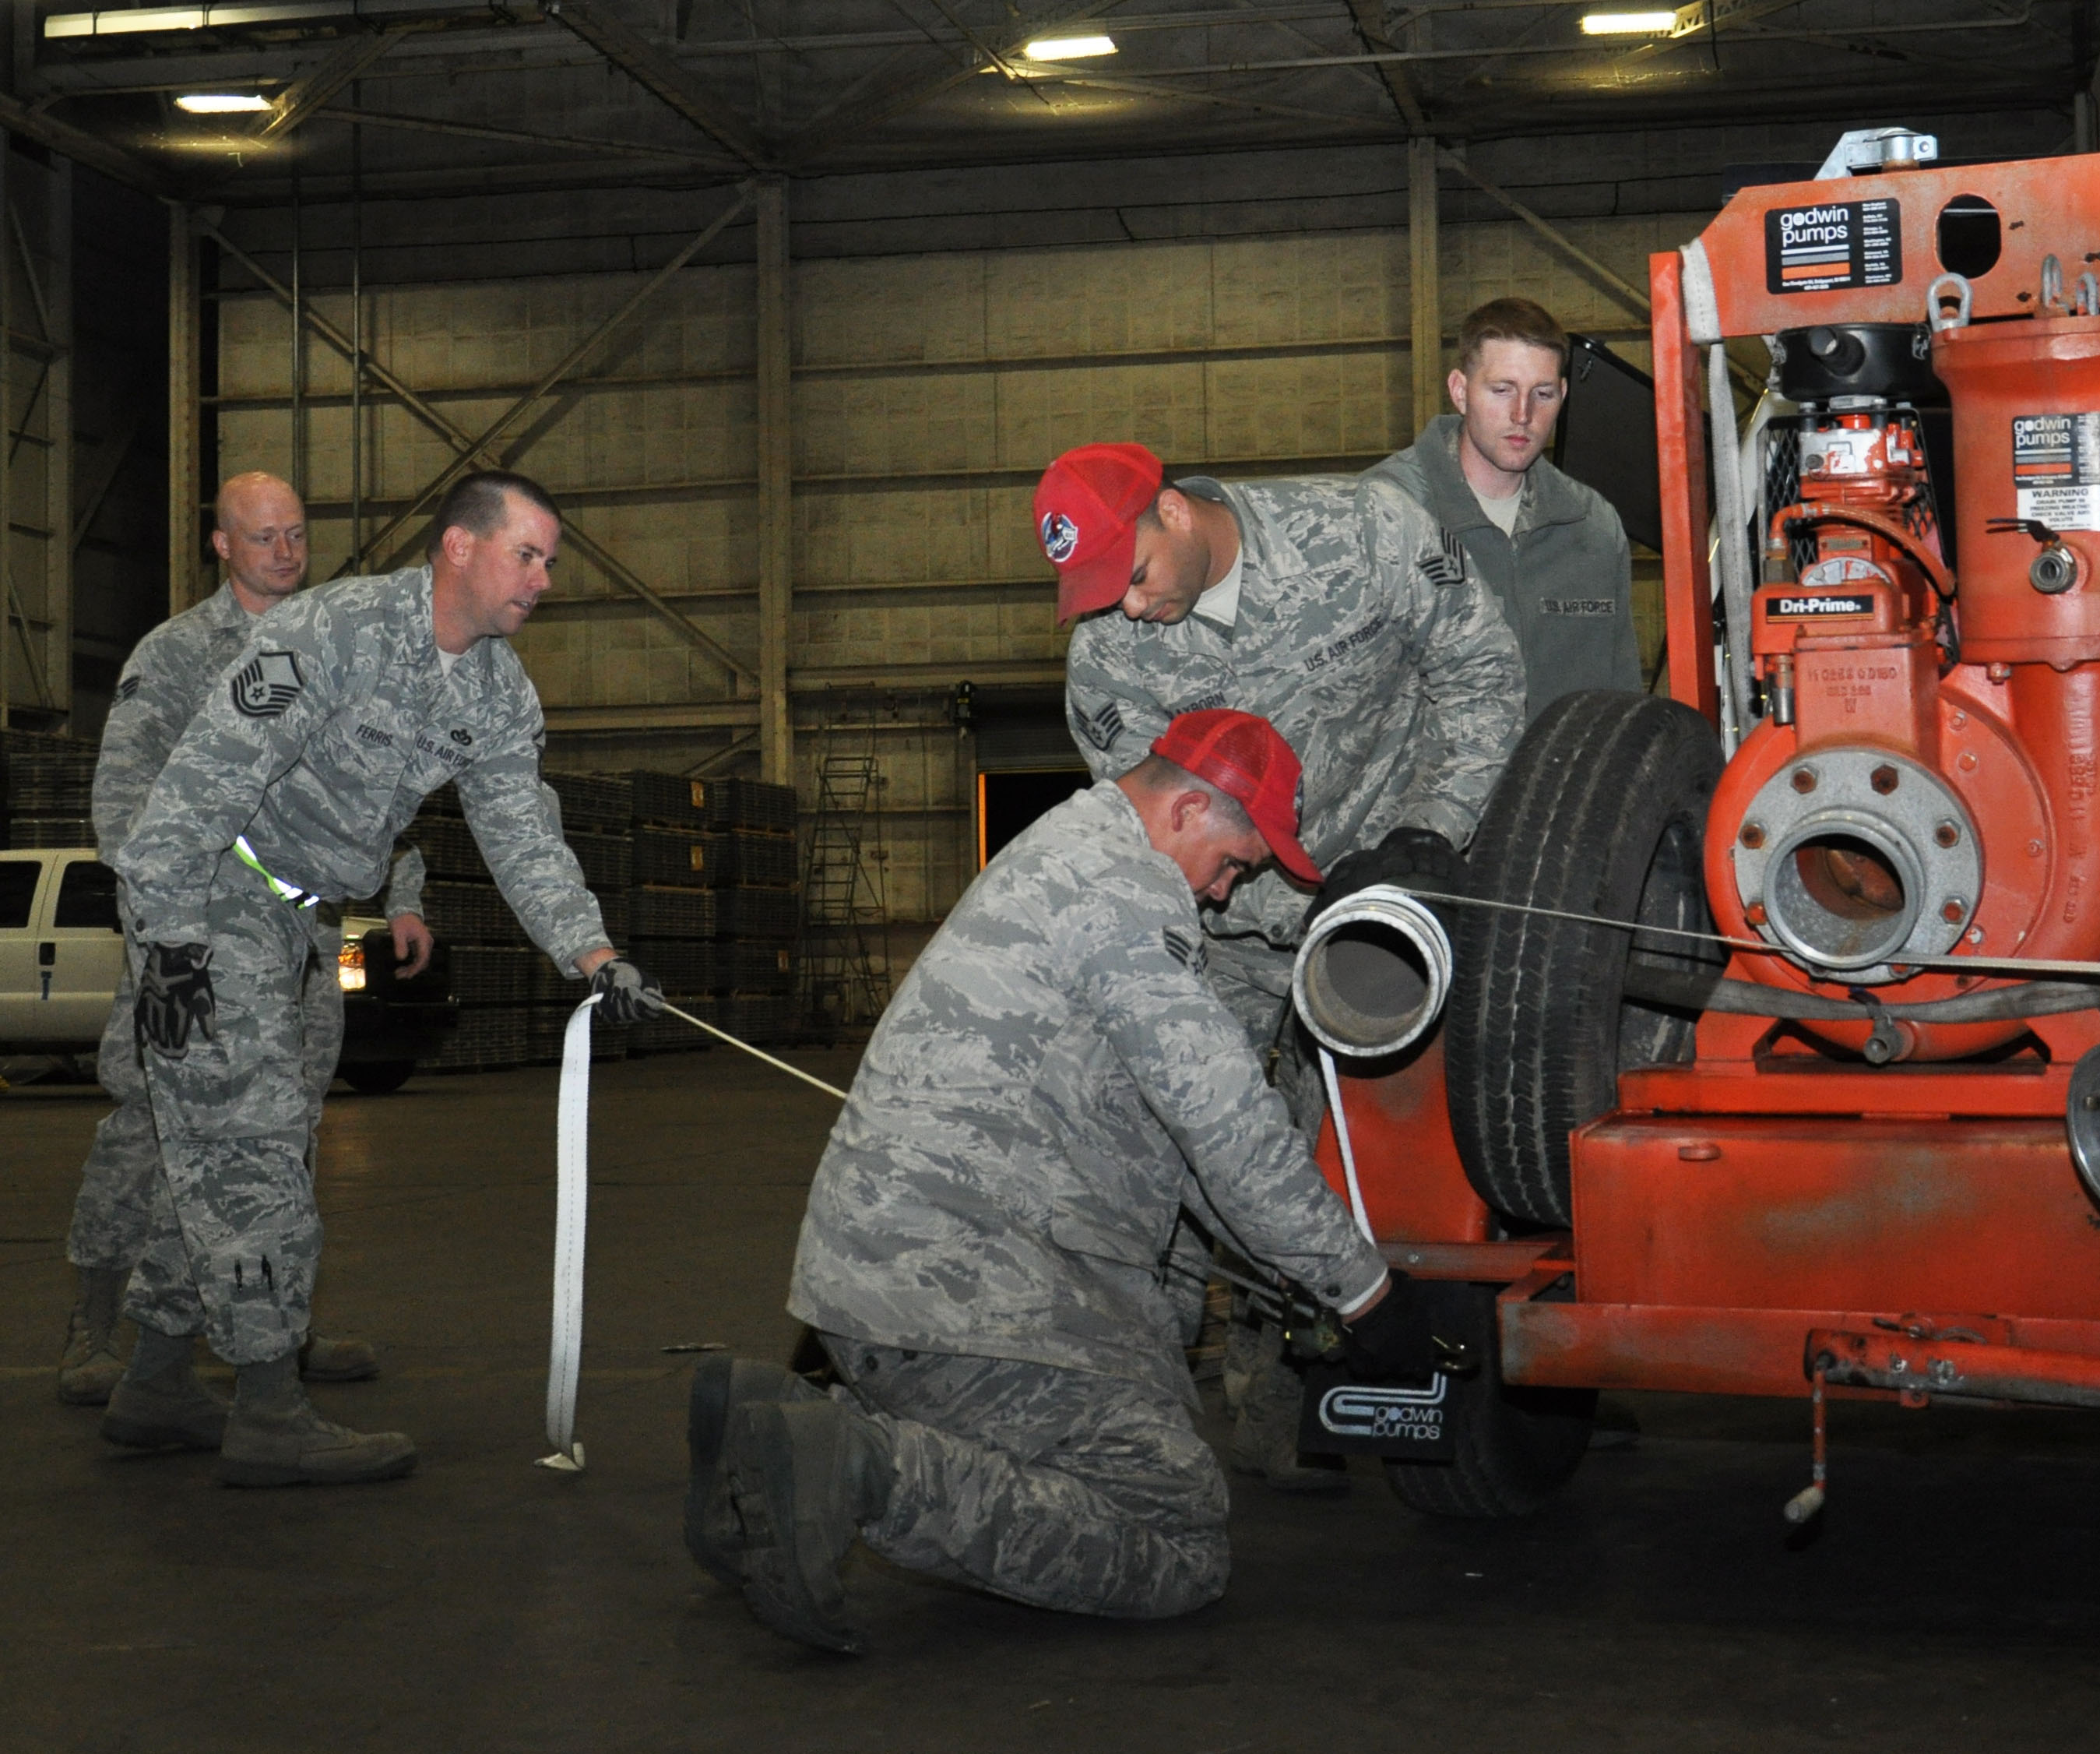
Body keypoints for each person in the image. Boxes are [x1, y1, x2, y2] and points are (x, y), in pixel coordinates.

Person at [695, 710, 1437, 1654]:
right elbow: (1226, 1123)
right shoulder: (1124, 899)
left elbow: (1185, 1151)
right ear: (1186, 807)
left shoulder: (1068, 852)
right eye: (1234, 862)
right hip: (963, 1293)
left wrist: (1302, 1267)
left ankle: (760, 1438)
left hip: (896, 1281)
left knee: (1141, 1419)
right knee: (1175, 1526)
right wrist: (1366, 1292)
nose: (1223, 892)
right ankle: (855, 1466)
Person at [108, 468, 667, 1488]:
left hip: (300, 921)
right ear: (461, 546)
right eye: (528, 554)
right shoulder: (332, 631)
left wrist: (592, 952)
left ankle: (153, 1384)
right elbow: (199, 781)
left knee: (229, 1152)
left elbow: (517, 828)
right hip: (215, 894)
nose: (544, 579)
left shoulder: (496, 689)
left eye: (549, 561)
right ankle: (268, 1411)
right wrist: (173, 938)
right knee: (255, 1147)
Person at [1046, 440, 1523, 1486]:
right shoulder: (1108, 661)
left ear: (1173, 512)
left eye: (1130, 576)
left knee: (1339, 1169)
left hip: (1380, 919)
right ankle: (1142, 1405)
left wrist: (1432, 834)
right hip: (1218, 934)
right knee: (1170, 1161)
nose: (1121, 610)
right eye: (1093, 592)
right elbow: (1156, 827)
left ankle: (1290, 1391)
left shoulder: (1367, 533)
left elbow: (1481, 670)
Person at [58, 474, 431, 1409]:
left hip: (298, 937)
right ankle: (93, 1330)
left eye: (298, 534)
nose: (286, 553)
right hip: (191, 940)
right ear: (222, 544)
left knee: (284, 1128)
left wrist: (406, 896)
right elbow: (125, 799)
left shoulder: (331, 645)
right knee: (149, 1127)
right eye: (264, 537)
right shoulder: (180, 653)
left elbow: (375, 785)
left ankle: (275, 1325)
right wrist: (167, 931)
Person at [1367, 296, 1641, 722]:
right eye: (1502, 390)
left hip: (1559, 786)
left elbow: (1622, 700)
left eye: (1543, 394)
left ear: (1564, 395)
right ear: (1460, 391)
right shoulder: (1384, 515)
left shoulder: (1593, 529)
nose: (1523, 415)